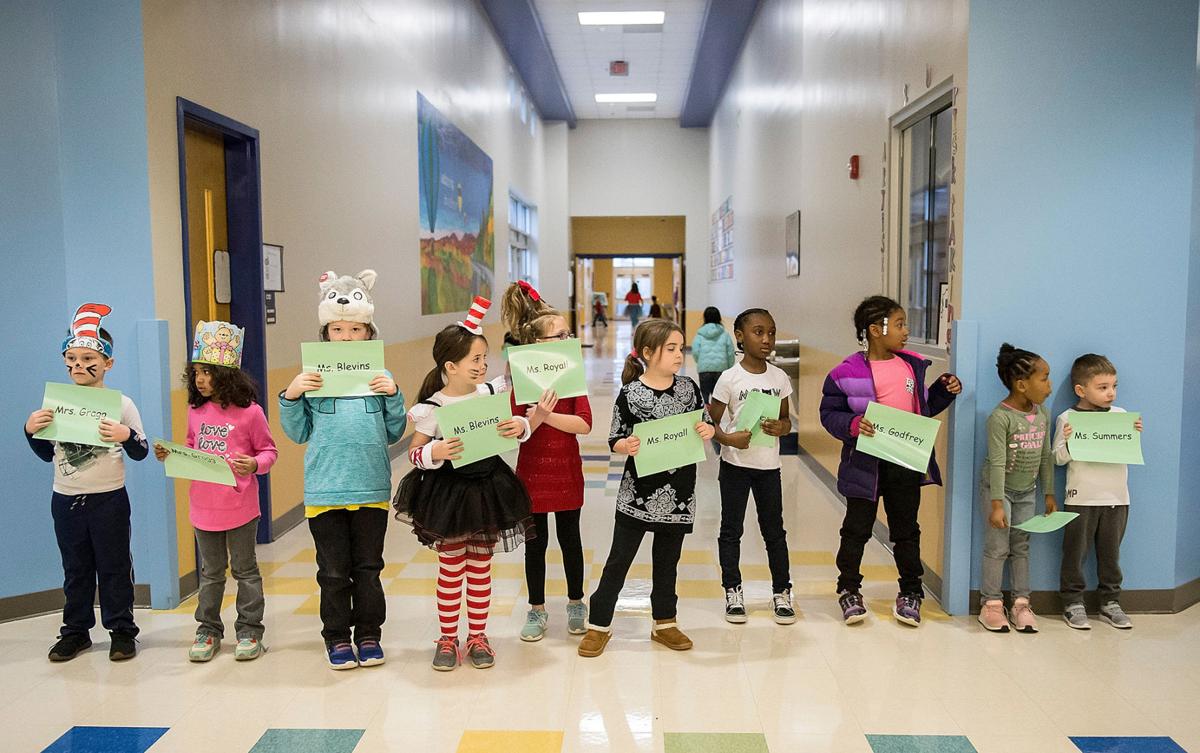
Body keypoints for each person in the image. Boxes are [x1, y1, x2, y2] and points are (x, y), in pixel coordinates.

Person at [393, 297, 536, 671]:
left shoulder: (490, 393)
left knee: (481, 568)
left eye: (484, 358)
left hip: (489, 489)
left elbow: (517, 422)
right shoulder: (434, 407)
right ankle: (446, 637)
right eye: (475, 359)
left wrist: (520, 426)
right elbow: (414, 454)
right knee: (451, 569)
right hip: (450, 495)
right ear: (450, 366)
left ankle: (477, 636)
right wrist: (436, 451)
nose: (482, 365)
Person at [279, 270, 406, 669]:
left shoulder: (380, 377)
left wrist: (393, 395)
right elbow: (298, 433)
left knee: (368, 569)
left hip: (370, 487)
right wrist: (291, 395)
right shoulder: (313, 378)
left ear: (369, 333)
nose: (346, 337)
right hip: (326, 490)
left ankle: (368, 634)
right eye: (337, 329)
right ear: (326, 333)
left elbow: (395, 431)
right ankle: (336, 638)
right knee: (333, 572)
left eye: (355, 329)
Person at [819, 295, 960, 627]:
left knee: (906, 530)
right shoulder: (845, 373)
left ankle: (911, 592)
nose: (906, 331)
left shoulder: (911, 366)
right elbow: (829, 414)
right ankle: (849, 589)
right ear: (875, 330)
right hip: (863, 466)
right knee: (856, 530)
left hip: (903, 462)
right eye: (899, 324)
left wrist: (944, 391)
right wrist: (853, 425)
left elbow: (922, 408)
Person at [577, 319, 715, 657]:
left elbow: (705, 421)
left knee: (668, 562)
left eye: (680, 348)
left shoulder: (689, 388)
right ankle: (599, 624)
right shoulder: (630, 393)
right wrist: (625, 445)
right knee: (619, 560)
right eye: (671, 349)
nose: (679, 355)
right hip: (637, 493)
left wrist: (707, 430)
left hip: (679, 493)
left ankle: (665, 623)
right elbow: (615, 438)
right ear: (648, 353)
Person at [25, 303, 148, 662]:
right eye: (72, 358)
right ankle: (75, 632)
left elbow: (141, 450)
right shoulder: (57, 404)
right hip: (66, 499)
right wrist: (30, 431)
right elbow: (46, 453)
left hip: (108, 499)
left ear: (108, 363)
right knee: (75, 569)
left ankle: (122, 631)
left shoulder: (122, 404)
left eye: (88, 358)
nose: (78, 365)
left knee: (114, 567)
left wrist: (126, 435)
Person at [156, 321, 276, 662]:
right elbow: (192, 449)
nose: (200, 380)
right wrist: (173, 454)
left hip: (240, 507)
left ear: (226, 375)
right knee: (210, 573)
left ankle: (250, 630)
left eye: (207, 372)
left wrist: (254, 464)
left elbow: (269, 451)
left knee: (245, 571)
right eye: (196, 373)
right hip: (203, 508)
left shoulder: (251, 413)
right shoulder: (195, 411)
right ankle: (207, 630)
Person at [500, 281, 593, 642]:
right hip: (532, 474)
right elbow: (515, 431)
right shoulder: (522, 383)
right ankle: (536, 609)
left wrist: (546, 415)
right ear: (538, 342)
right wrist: (535, 416)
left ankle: (576, 603)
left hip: (567, 471)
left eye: (569, 334)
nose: (568, 339)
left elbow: (584, 424)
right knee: (535, 544)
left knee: (571, 541)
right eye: (560, 335)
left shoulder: (573, 380)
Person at [709, 308, 795, 624]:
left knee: (774, 531)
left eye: (771, 332)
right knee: (731, 530)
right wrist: (728, 439)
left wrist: (781, 428)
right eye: (758, 332)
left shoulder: (779, 378)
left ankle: (782, 592)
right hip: (735, 465)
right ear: (740, 336)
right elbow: (710, 423)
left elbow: (786, 420)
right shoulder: (729, 378)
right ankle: (733, 591)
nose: (766, 339)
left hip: (768, 468)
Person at [1055, 354, 1142, 630]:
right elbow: (1057, 458)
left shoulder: (1121, 416)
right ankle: (1072, 602)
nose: (1111, 393)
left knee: (1111, 555)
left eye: (1114, 386)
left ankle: (1110, 602)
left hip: (1117, 498)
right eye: (1103, 387)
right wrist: (1069, 441)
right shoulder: (1067, 418)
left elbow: (1126, 449)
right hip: (1081, 498)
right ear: (1081, 390)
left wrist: (1133, 433)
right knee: (1074, 553)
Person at [977, 343, 1056, 634]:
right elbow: (997, 463)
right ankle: (991, 603)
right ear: (1022, 384)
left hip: (1027, 492)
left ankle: (1021, 603)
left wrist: (1049, 493)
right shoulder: (1001, 417)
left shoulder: (1043, 414)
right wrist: (997, 504)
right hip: (999, 492)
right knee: (998, 547)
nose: (1049, 386)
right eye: (1044, 378)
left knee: (1021, 546)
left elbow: (1046, 456)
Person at [691, 306, 735, 406]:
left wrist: (701, 362)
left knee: (704, 394)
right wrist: (728, 367)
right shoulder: (725, 334)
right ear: (719, 317)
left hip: (704, 369)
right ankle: (716, 414)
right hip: (721, 369)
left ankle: (706, 412)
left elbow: (695, 351)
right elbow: (730, 352)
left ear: (705, 318)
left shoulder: (700, 334)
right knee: (719, 396)